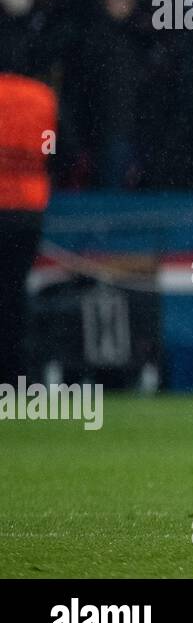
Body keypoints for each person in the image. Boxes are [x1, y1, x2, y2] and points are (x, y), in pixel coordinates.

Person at [0, 52, 57, 385]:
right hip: (26, 211)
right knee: (14, 294)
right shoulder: (41, 97)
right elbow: (61, 152)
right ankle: (15, 375)